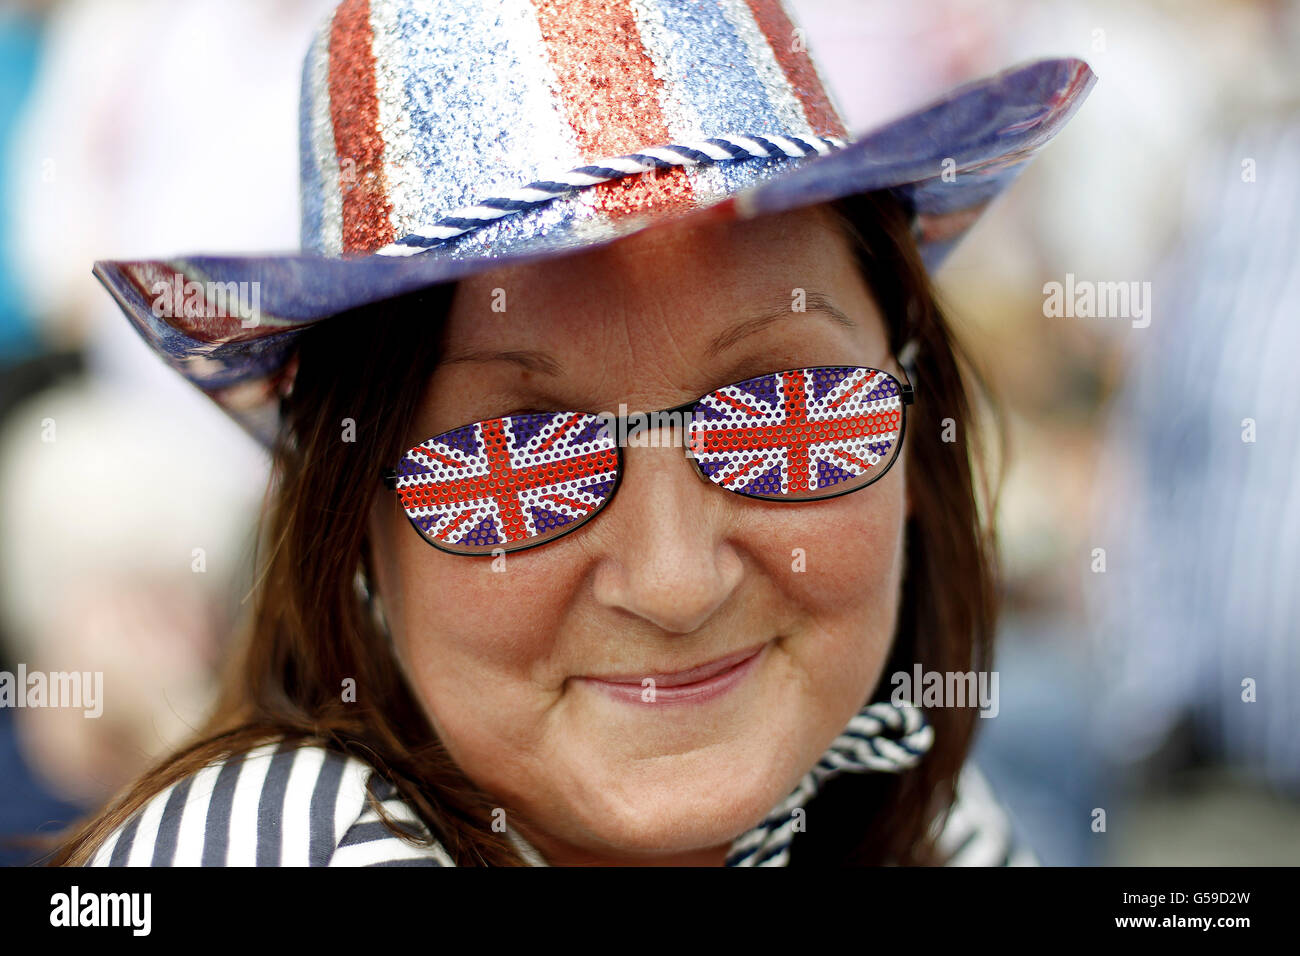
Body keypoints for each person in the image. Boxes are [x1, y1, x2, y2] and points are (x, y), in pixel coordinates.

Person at [48, 0, 1094, 867]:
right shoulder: (282, 847)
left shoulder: (924, 818)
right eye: (515, 463)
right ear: (354, 525)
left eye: (789, 414)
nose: (675, 579)